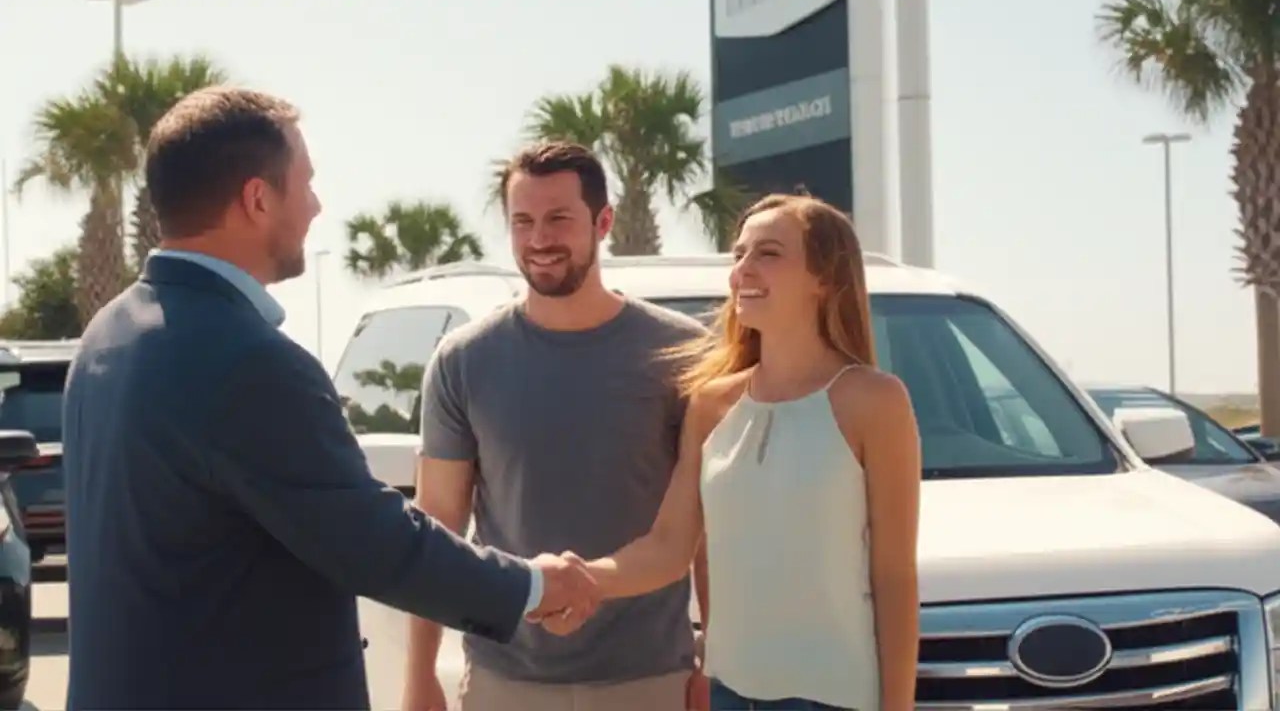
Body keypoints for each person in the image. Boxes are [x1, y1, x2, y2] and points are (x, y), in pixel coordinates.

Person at [61, 86, 599, 711]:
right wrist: (534, 586)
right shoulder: (247, 360)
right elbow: (370, 540)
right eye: (306, 183)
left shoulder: (108, 333)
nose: (316, 206)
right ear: (257, 199)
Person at [544, 193, 923, 711]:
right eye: (739, 254)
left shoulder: (875, 401)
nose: (742, 268)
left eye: (768, 253)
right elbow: (670, 546)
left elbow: (895, 577)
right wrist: (579, 580)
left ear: (825, 279)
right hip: (728, 694)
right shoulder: (712, 402)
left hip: (832, 698)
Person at [402, 140, 710, 711]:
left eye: (559, 219)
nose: (539, 239)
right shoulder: (464, 360)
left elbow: (706, 531)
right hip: (505, 679)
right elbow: (437, 527)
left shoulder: (683, 353)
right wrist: (419, 675)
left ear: (604, 222)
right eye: (523, 221)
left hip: (649, 679)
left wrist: (714, 661)